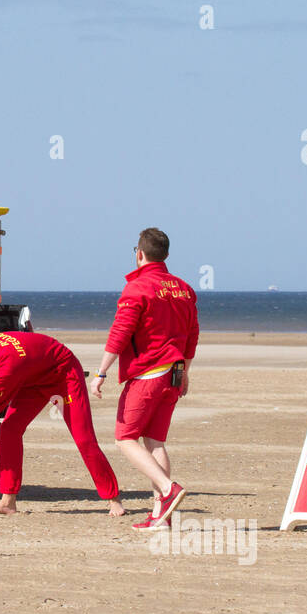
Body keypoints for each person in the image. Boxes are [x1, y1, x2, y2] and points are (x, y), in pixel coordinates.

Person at [0, 331, 123, 516]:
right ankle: (8, 502)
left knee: (83, 438)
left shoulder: (6, 373)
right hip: (30, 377)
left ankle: (113, 498)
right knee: (9, 429)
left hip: (62, 374)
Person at [90, 228, 199, 531]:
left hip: (150, 373)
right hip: (174, 374)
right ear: (165, 254)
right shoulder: (184, 289)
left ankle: (167, 489)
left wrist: (100, 373)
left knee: (125, 439)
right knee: (154, 442)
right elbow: (192, 336)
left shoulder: (137, 288)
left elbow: (120, 335)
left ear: (139, 253)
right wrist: (185, 372)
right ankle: (160, 516)